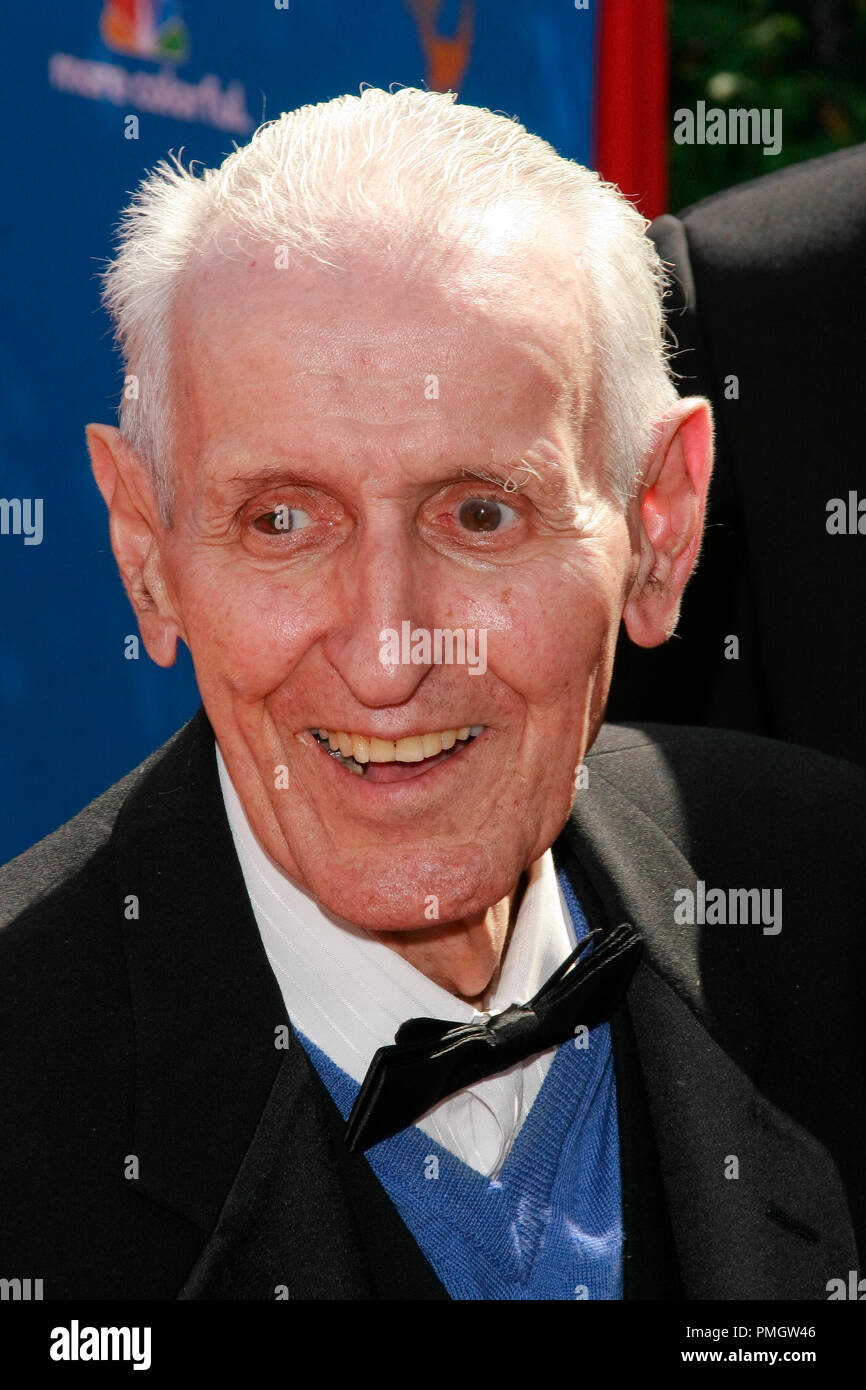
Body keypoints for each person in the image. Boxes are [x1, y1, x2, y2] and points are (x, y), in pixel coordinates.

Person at [0, 87, 862, 1301]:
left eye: (480, 513)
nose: (387, 653)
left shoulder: (830, 896)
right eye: (281, 519)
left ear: (658, 527)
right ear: (147, 553)